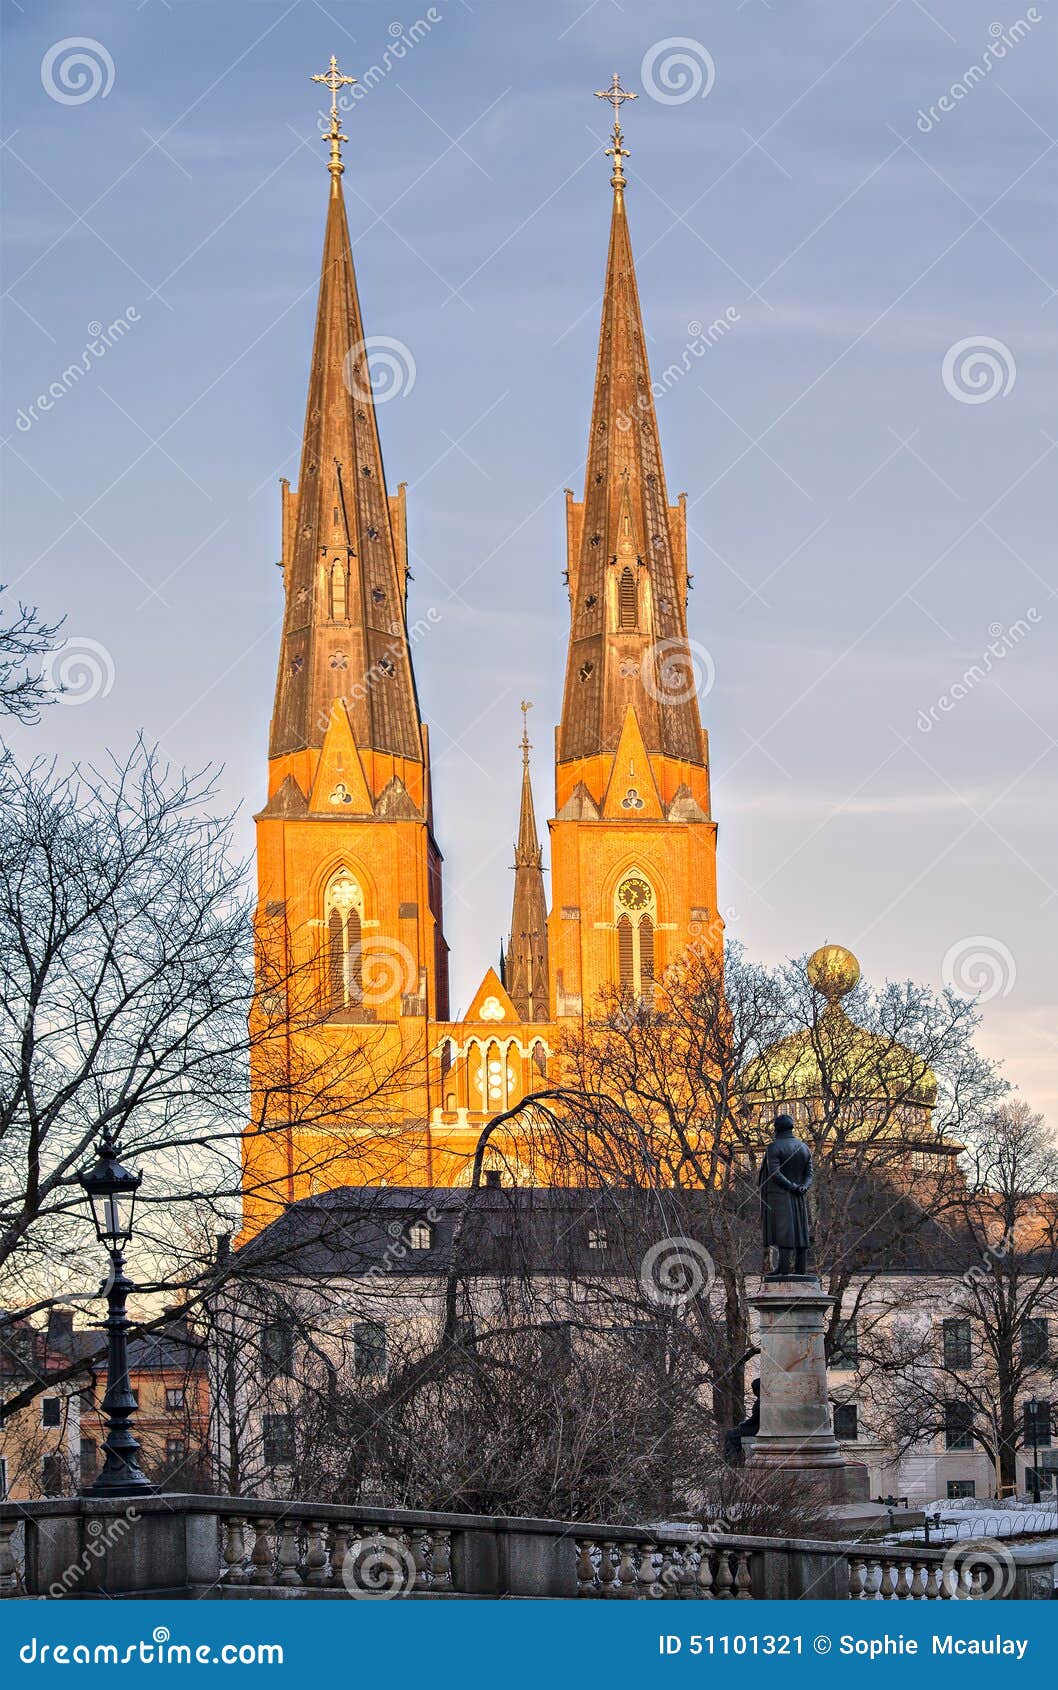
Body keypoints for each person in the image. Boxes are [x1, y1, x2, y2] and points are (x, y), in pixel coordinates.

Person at [758, 1113, 813, 1275]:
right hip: (799, 1194)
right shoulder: (804, 1147)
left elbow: (775, 1173)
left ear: (776, 1129)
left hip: (780, 1194)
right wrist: (803, 1187)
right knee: (800, 1230)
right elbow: (810, 1174)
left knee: (784, 1230)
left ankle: (783, 1268)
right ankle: (800, 1268)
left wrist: (792, 1187)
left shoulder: (774, 1147)